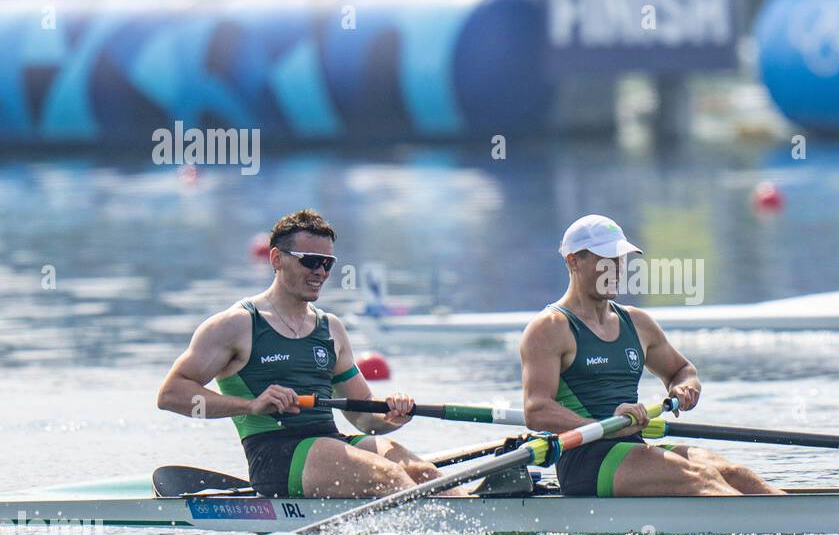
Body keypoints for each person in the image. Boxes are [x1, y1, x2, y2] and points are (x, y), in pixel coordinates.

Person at [157, 209, 447, 498]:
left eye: (327, 263)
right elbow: (170, 395)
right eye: (309, 261)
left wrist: (391, 415)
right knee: (391, 476)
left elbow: (362, 417)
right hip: (276, 456)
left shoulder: (331, 328)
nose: (320, 272)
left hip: (332, 445)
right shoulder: (235, 325)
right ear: (276, 259)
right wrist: (251, 406)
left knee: (429, 476)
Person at [519, 214, 783, 497]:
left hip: (633, 447)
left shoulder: (637, 323)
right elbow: (536, 410)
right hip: (586, 461)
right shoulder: (549, 328)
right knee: (701, 478)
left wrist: (683, 387)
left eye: (620, 259)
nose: (617, 269)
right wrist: (603, 427)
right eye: (605, 260)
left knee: (734, 474)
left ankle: (790, 517)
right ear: (573, 261)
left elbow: (683, 370)